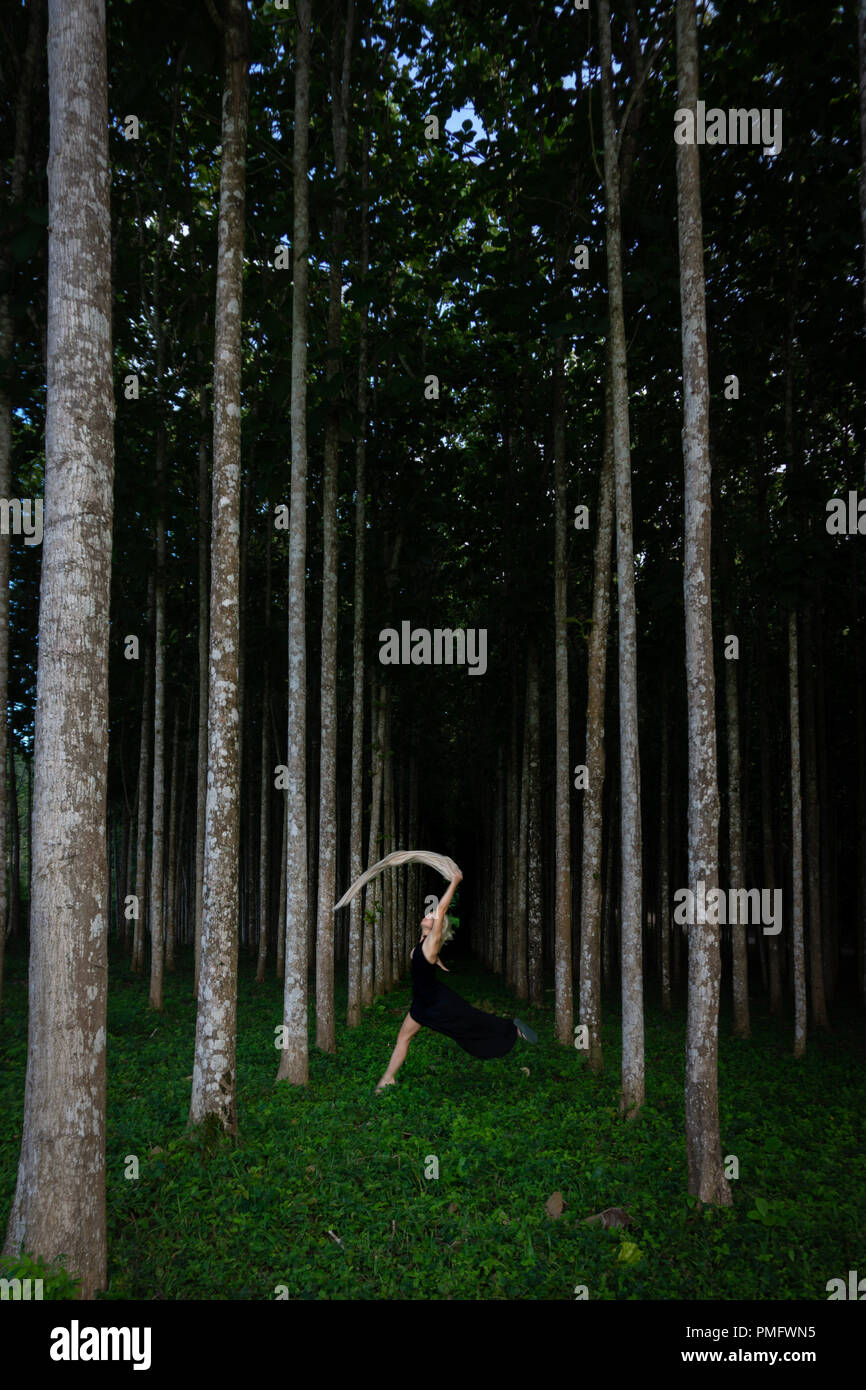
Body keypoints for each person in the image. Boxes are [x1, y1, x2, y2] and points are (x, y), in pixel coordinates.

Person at [375, 868, 537, 1094]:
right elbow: (425, 961)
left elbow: (441, 909)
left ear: (436, 928)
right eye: (430, 914)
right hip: (421, 1003)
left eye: (433, 917)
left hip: (439, 1002)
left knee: (470, 1024)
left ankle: (512, 1027)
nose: (430, 914)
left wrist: (455, 881)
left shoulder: (431, 943)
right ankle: (388, 1079)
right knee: (403, 1037)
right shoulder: (422, 945)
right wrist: (437, 961)